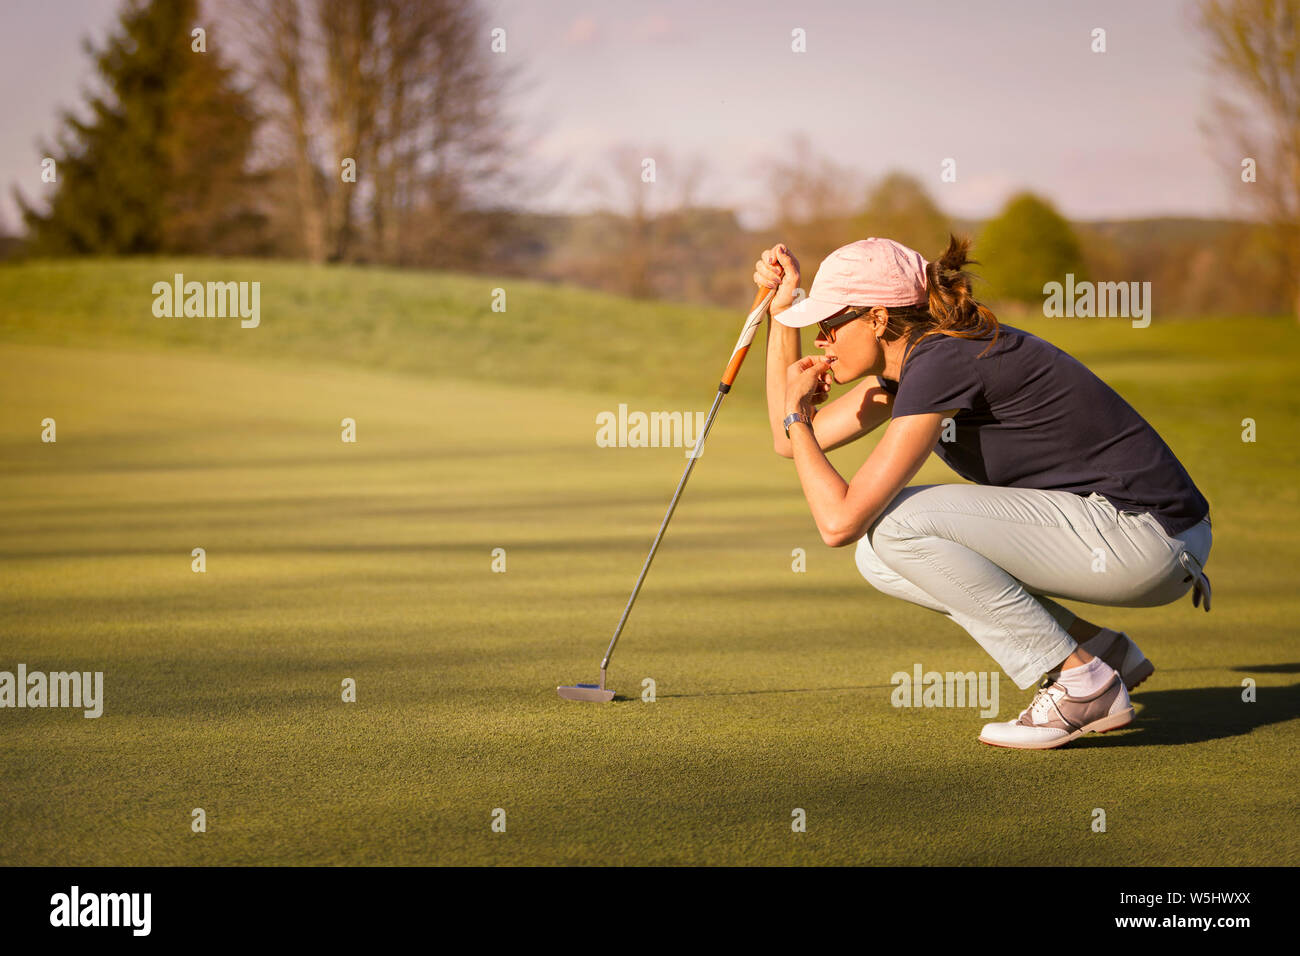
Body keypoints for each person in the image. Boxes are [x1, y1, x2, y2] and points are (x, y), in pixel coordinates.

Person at [754, 236, 1212, 749]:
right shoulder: (912, 367)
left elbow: (838, 521)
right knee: (879, 558)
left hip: (1145, 538)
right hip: (1133, 536)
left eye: (830, 324)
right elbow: (787, 440)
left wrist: (800, 413)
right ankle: (1097, 649)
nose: (822, 339)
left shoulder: (941, 361)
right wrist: (781, 312)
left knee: (896, 525)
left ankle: (1082, 684)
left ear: (879, 319)